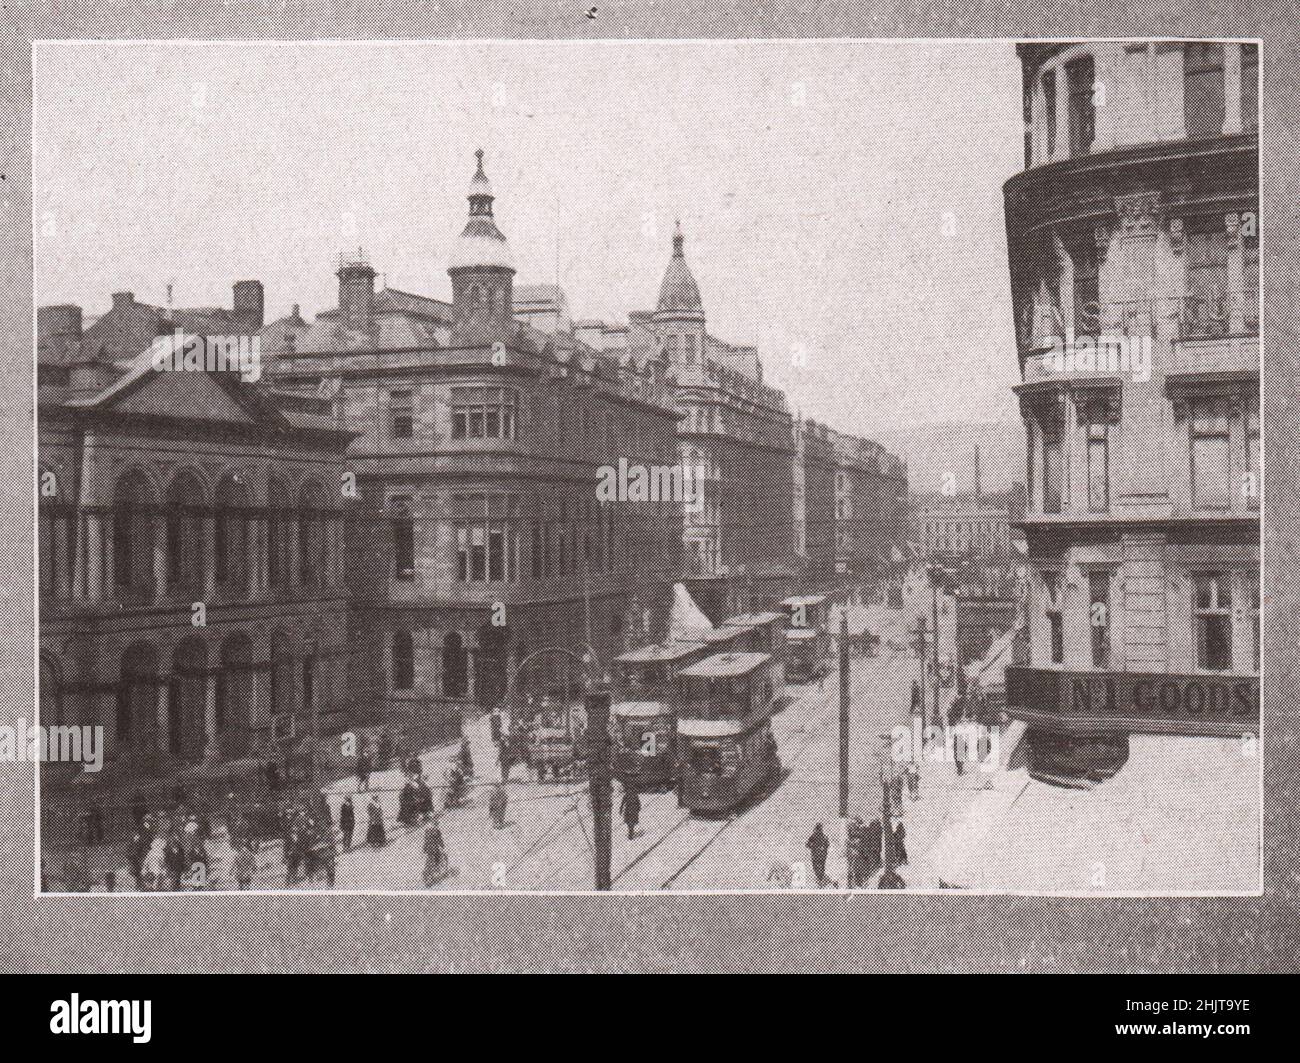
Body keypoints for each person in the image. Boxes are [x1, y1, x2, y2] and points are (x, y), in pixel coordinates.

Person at [422, 819, 447, 887]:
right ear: (436, 824)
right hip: (434, 848)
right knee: (437, 859)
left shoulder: (427, 830)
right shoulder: (437, 830)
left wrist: (424, 848)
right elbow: (439, 840)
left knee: (428, 860)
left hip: (427, 848)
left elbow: (425, 839)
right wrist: (442, 846)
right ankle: (434, 871)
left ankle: (427, 874)